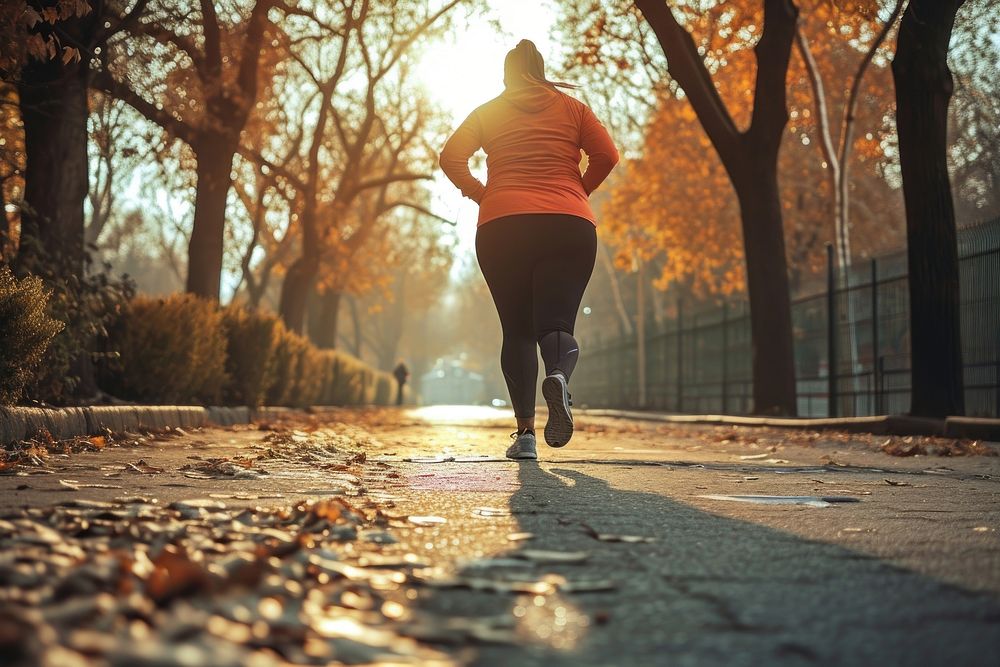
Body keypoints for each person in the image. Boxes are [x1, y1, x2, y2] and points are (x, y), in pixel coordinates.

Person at [439, 39, 619, 460]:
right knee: (556, 326)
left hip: (503, 225)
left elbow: (451, 157)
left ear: (506, 74)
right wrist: (577, 192)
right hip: (568, 225)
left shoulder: (488, 111)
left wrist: (481, 194)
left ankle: (525, 437)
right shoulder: (574, 109)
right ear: (541, 70)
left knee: (517, 330)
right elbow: (607, 155)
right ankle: (558, 375)